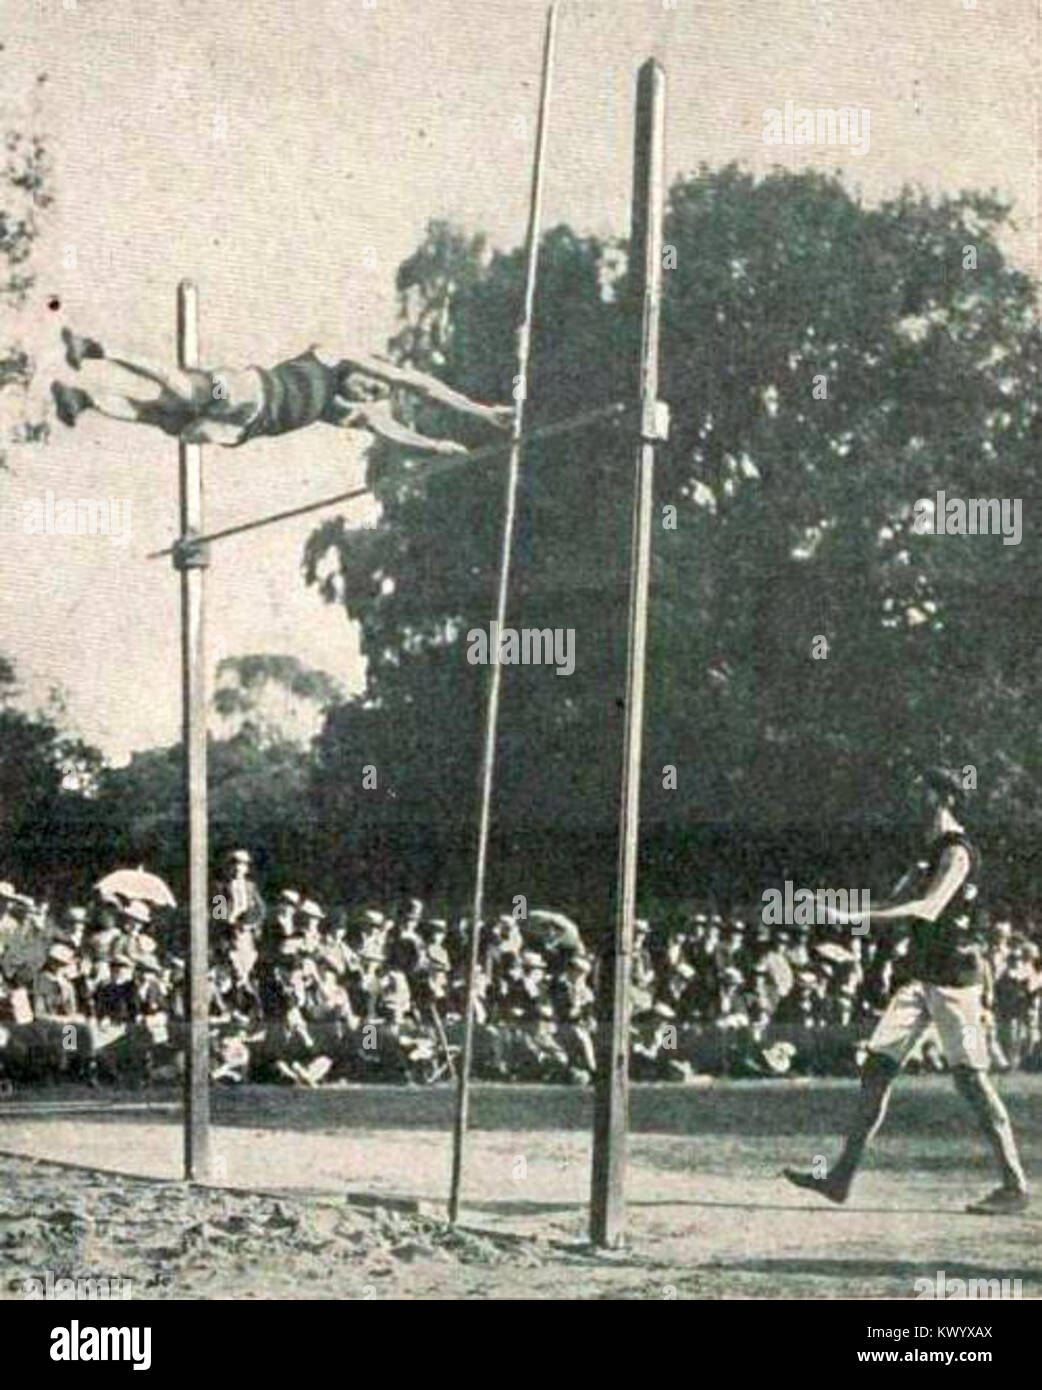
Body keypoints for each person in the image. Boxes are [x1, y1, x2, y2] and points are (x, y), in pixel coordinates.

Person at [784, 767, 1030, 1215]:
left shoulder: (956, 853)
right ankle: (840, 1177)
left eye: (920, 790)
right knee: (876, 1071)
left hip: (955, 980)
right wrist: (839, 910)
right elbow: (890, 904)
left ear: (942, 797)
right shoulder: (927, 851)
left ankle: (1014, 1184)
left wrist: (848, 917)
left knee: (972, 1081)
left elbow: (927, 908)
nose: (910, 796)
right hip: (921, 977)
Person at [53, 328, 511, 456]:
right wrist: (480, 411)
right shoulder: (333, 358)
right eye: (374, 381)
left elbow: (394, 433)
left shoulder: (342, 411)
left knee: (163, 417)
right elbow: (419, 383)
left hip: (240, 425)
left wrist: (434, 445)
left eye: (372, 391)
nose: (370, 388)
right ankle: (95, 349)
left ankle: (84, 401)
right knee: (186, 385)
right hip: (245, 388)